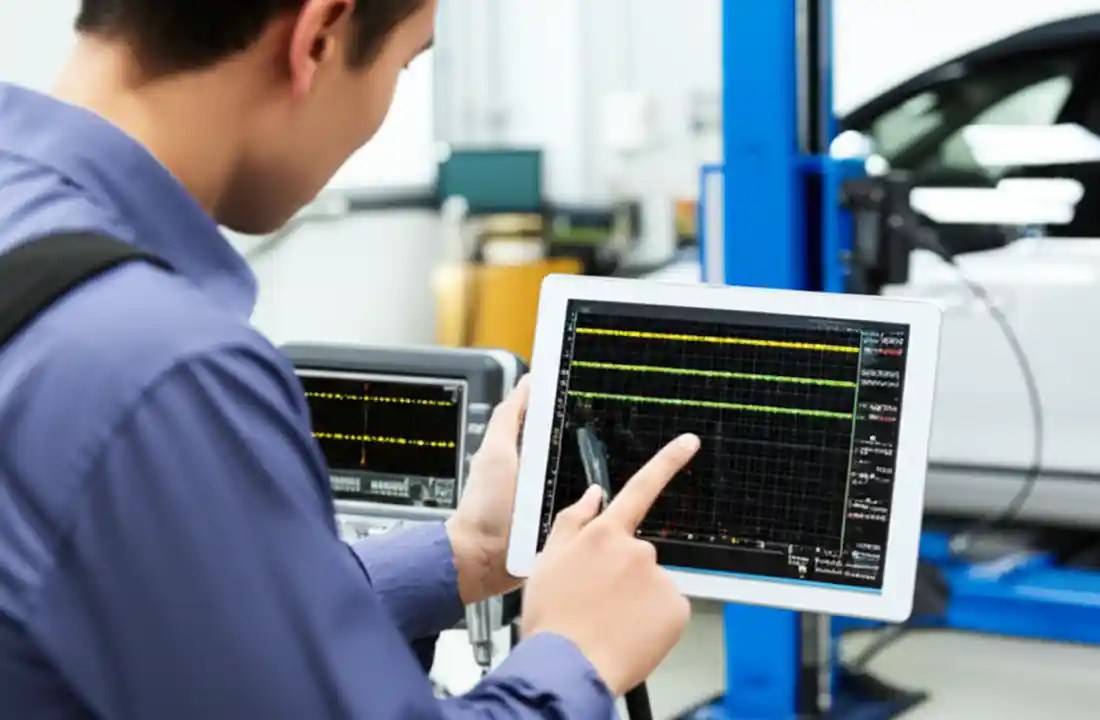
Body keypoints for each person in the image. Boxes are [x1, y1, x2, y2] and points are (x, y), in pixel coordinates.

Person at [0, 1, 700, 717]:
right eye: (404, 64)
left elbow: (188, 625)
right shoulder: (164, 371)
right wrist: (577, 655)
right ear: (319, 37)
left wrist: (466, 552)